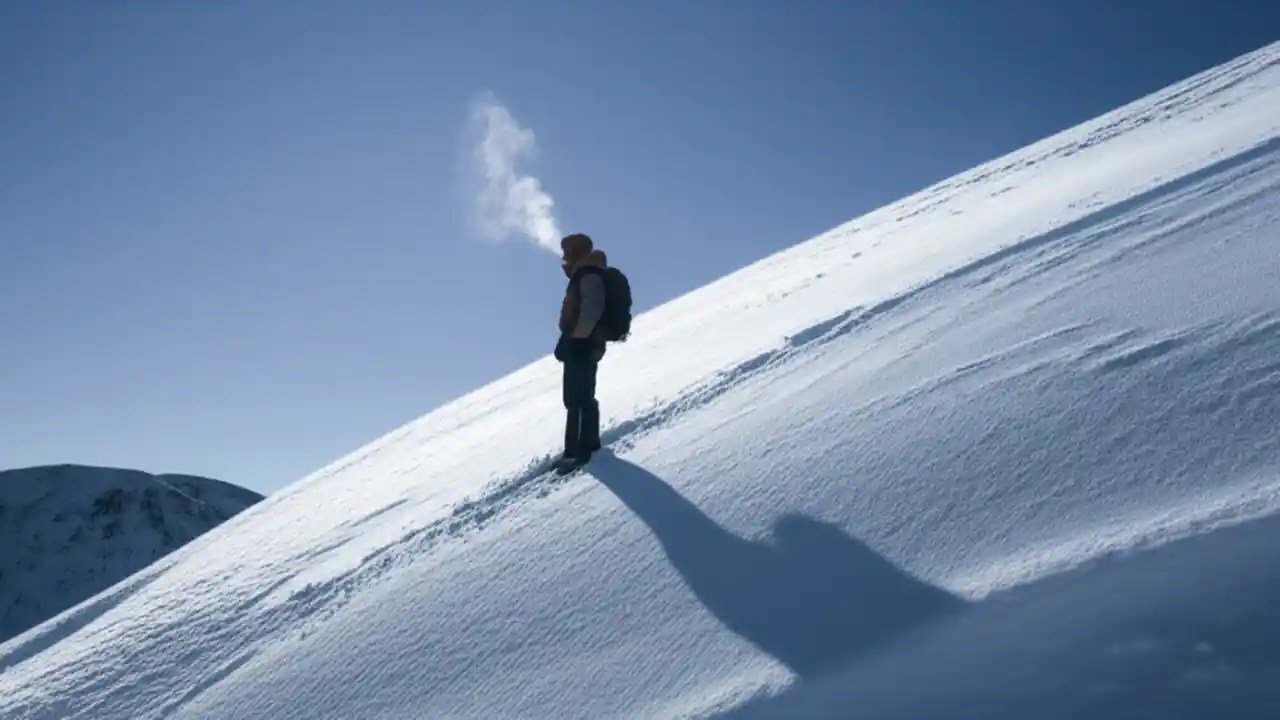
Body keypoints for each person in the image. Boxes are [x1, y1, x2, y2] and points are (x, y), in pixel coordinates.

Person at [554, 233, 608, 472]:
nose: (564, 257)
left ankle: (578, 452)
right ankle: (584, 447)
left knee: (578, 397)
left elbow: (592, 309)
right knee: (578, 395)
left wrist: (577, 338)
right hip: (582, 344)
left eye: (567, 252)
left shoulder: (588, 274)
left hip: (583, 345)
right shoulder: (585, 273)